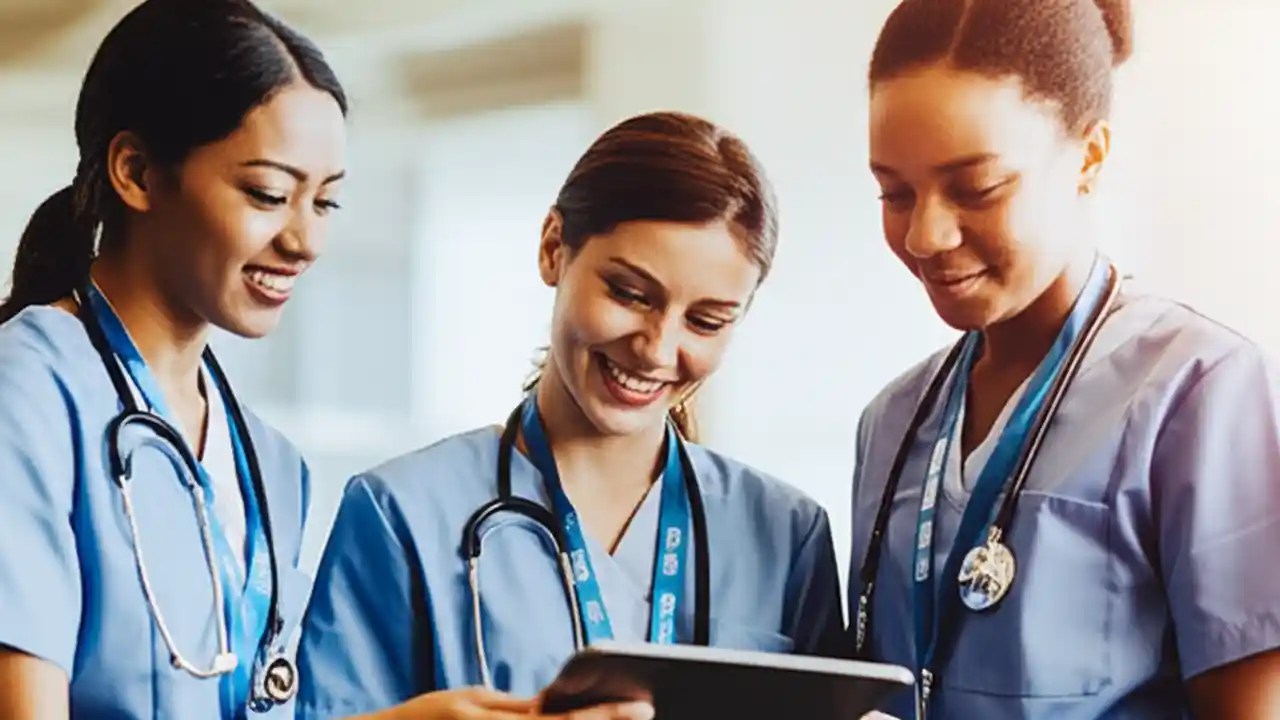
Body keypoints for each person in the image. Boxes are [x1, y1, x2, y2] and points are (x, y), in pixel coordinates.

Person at [295, 111, 846, 719]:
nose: (658, 349)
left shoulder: (787, 535)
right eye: (629, 294)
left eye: (706, 321)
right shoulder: (402, 513)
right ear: (554, 247)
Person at [846, 0, 1280, 717]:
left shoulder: (1198, 392)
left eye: (976, 189)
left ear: (1089, 155)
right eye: (895, 192)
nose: (924, 234)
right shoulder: (892, 424)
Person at [0, 1, 348, 717]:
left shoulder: (271, 467)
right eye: (269, 194)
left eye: (325, 204)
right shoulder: (27, 392)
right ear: (135, 171)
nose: (304, 240)